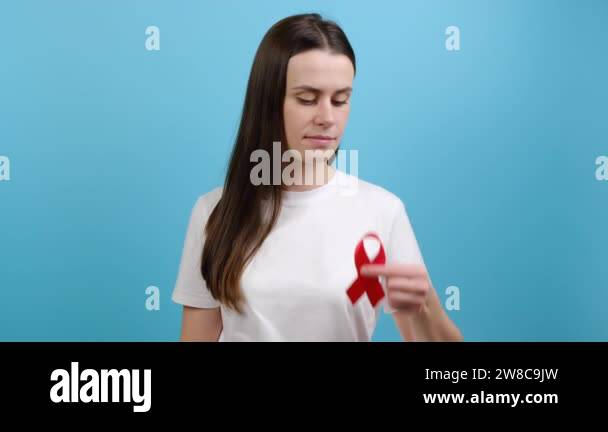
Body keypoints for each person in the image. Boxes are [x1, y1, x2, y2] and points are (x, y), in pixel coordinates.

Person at [171, 13, 463, 342]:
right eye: (307, 99)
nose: (327, 118)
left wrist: (428, 307)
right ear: (268, 102)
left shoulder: (383, 212)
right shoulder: (215, 212)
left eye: (341, 100)